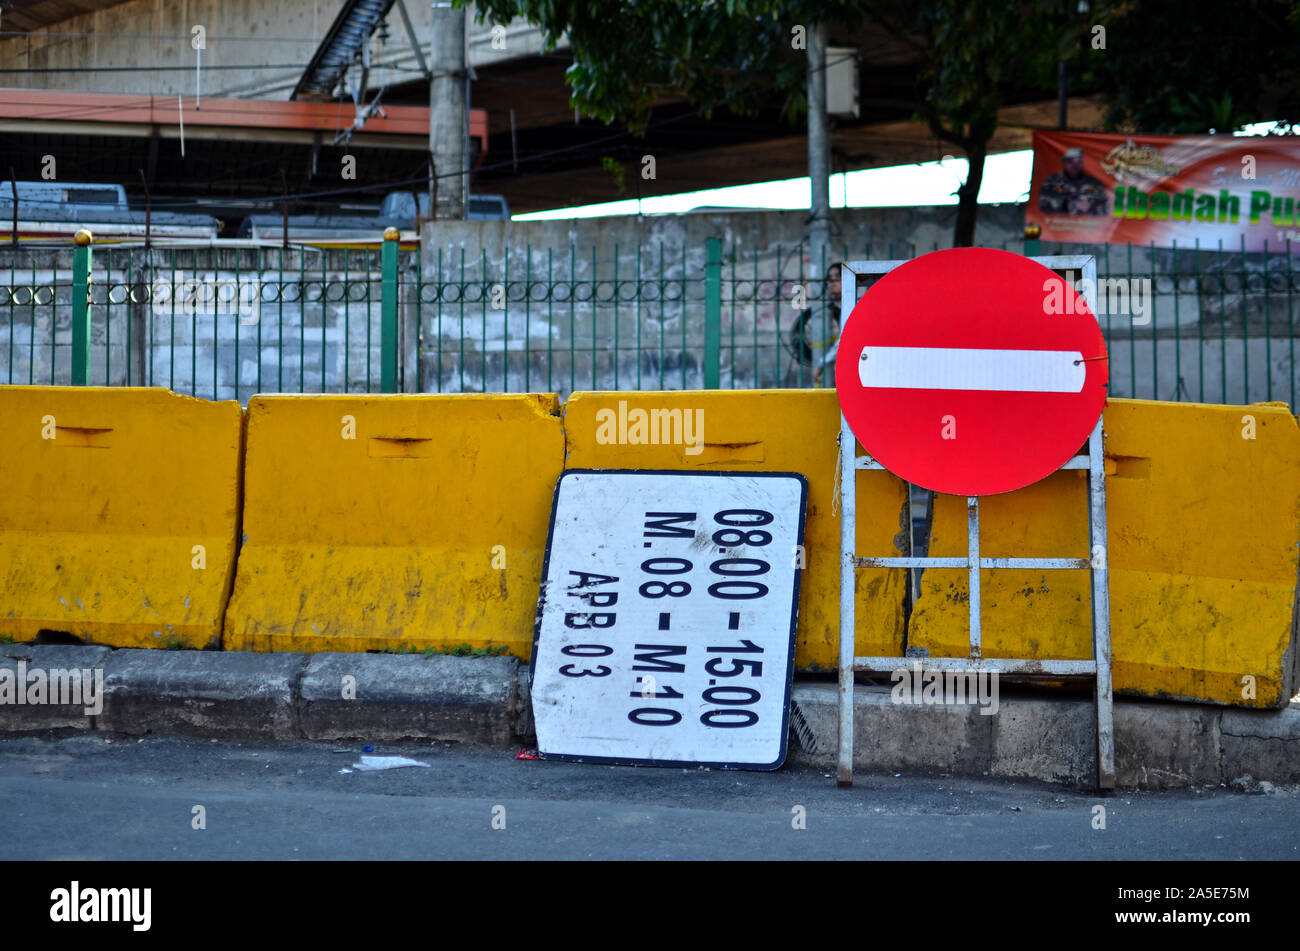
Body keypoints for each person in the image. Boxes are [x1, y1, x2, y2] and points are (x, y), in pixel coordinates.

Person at [785, 262, 844, 387]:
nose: (833, 281)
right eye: (830, 278)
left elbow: (844, 340)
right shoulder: (840, 308)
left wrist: (822, 363)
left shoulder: (854, 305)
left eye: (838, 276)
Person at [1038, 147, 1108, 216]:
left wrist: (1090, 207)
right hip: (1058, 222)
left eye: (1079, 162)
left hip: (1088, 222)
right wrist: (1070, 205)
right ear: (1064, 163)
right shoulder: (1051, 182)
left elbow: (1106, 208)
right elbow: (1043, 205)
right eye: (1070, 162)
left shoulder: (1095, 183)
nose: (1075, 166)